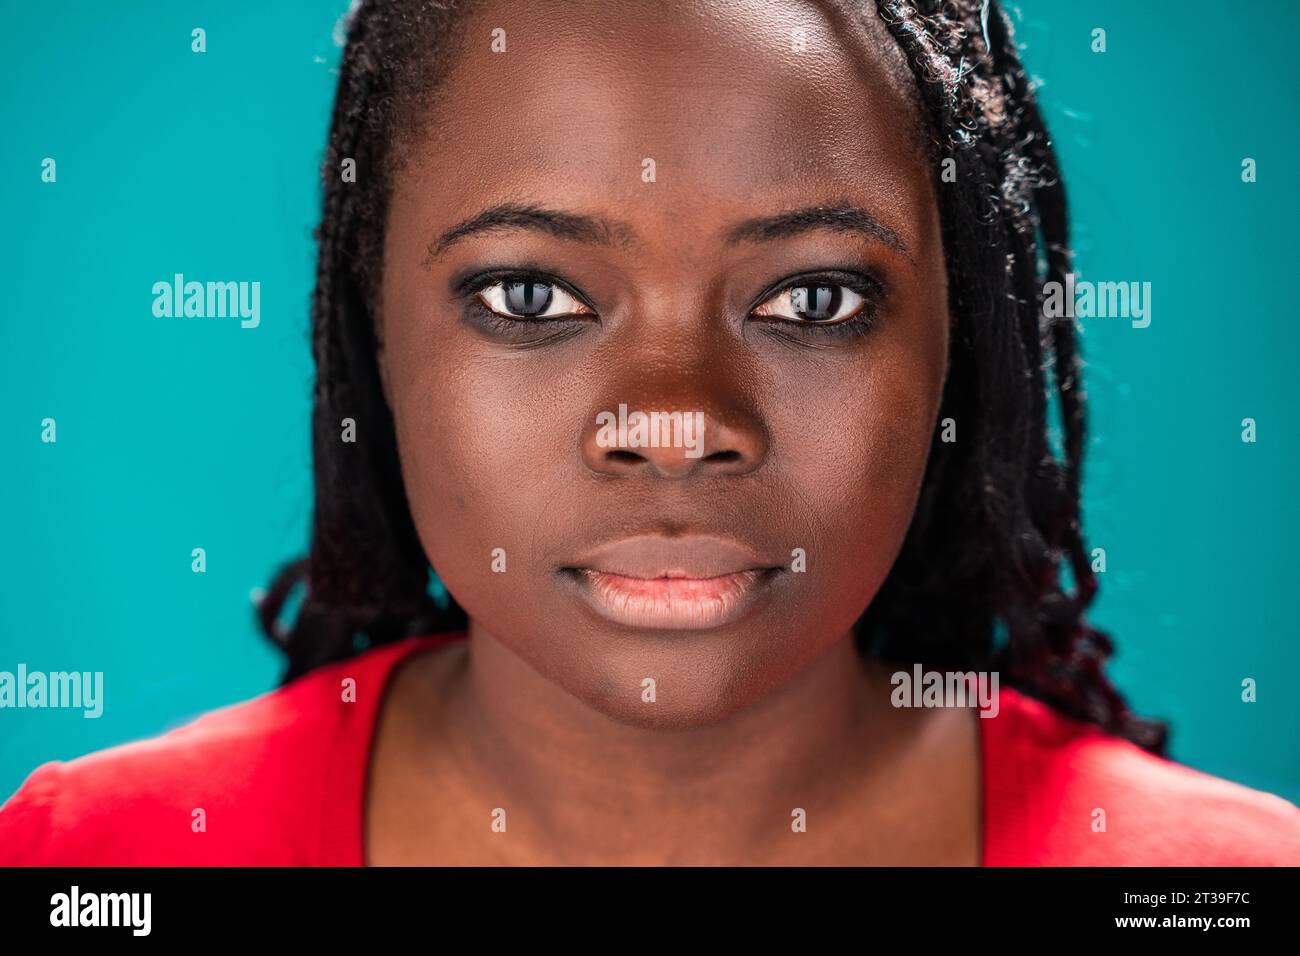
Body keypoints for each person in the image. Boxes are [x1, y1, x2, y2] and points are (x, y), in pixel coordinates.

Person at [3, 0, 1298, 866]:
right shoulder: (99, 859)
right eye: (530, 297)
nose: (676, 424)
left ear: (960, 349)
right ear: (370, 336)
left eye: (814, 299)